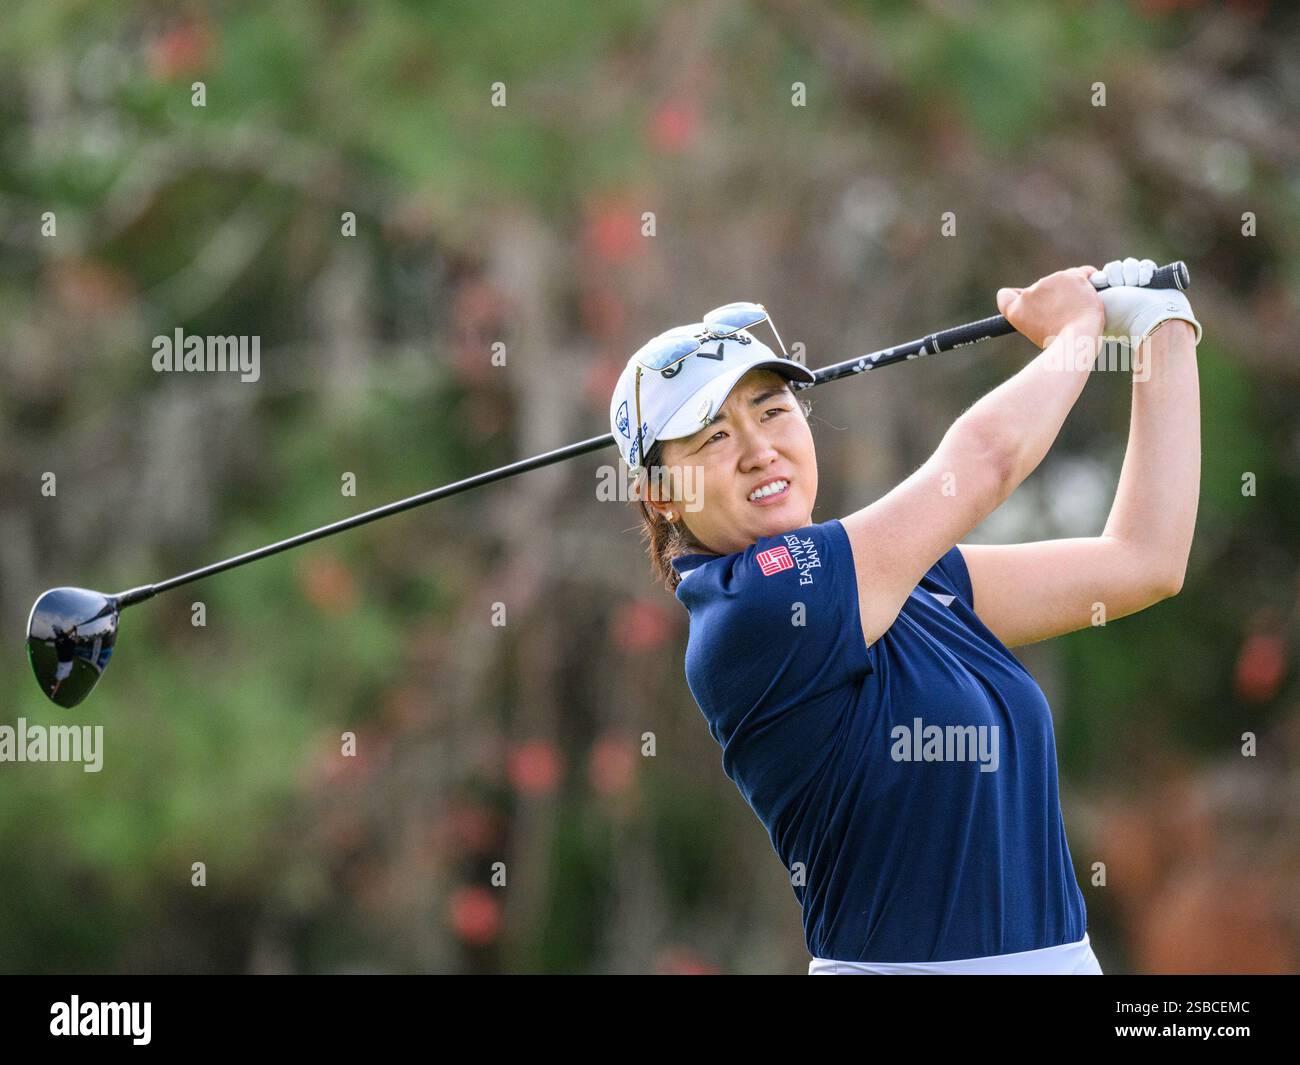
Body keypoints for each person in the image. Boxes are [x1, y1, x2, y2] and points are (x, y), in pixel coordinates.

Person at [608, 258, 1202, 974]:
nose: (760, 449)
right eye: (713, 437)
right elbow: (983, 461)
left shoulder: (910, 581)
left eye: (770, 410)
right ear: (662, 494)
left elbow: (1144, 561)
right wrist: (1078, 331)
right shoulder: (753, 608)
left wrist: (1161, 326)